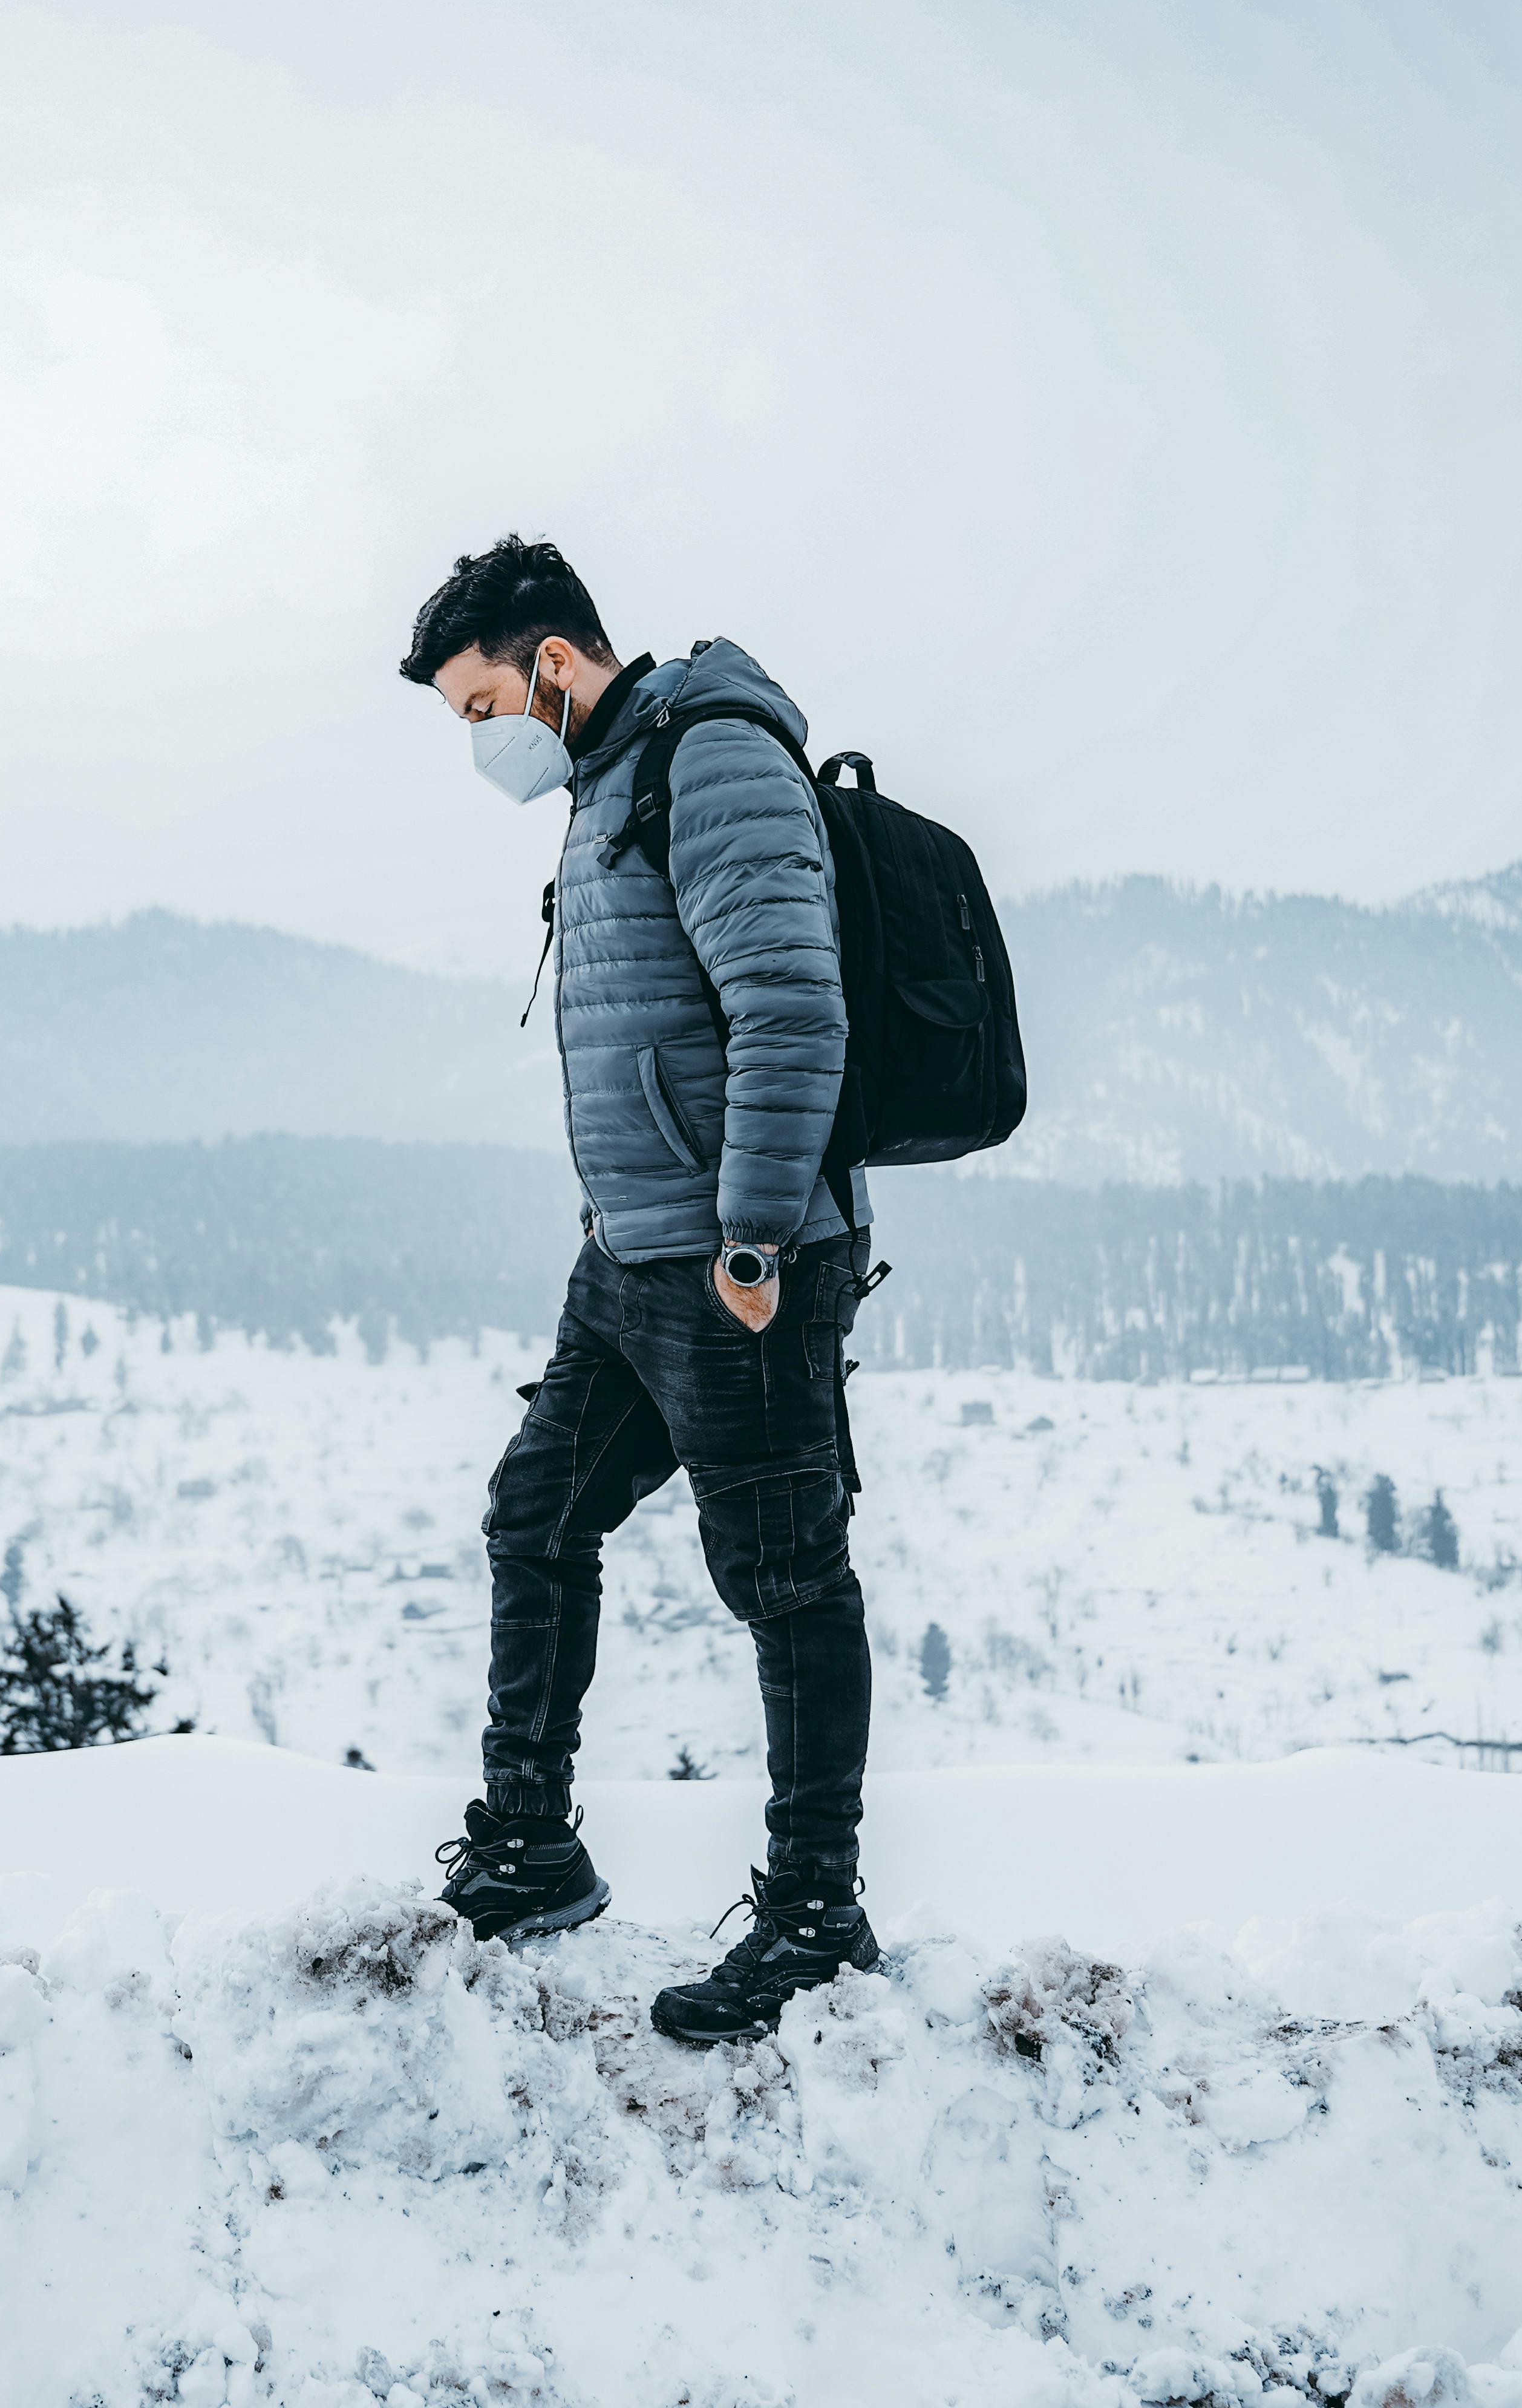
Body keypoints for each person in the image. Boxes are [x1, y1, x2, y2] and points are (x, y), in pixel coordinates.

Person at [400, 534, 880, 2044]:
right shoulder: (609, 782)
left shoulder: (711, 760)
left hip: (739, 1267)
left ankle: (816, 1914)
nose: (483, 744)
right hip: (628, 1255)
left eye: (485, 709)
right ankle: (531, 1844)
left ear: (554, 662)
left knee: (786, 1578)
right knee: (535, 1513)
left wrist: (753, 1240)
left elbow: (790, 1007)